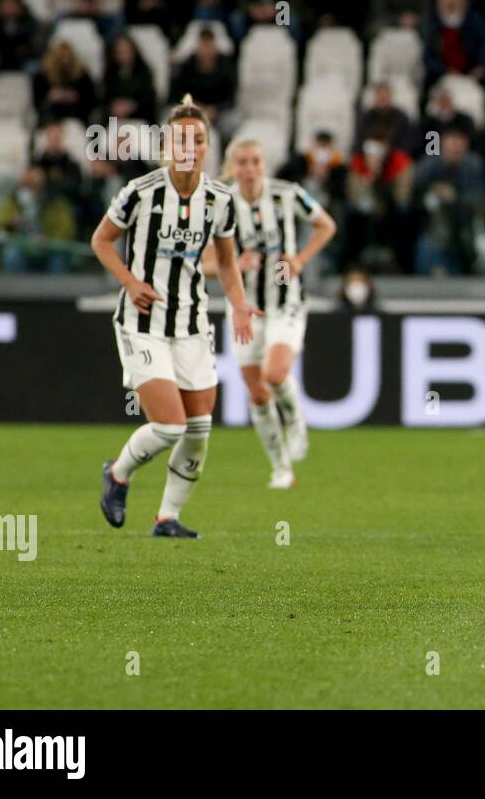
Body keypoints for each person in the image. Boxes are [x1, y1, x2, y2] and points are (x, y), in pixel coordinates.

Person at [90, 95, 260, 538]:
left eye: (200, 139)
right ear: (169, 145)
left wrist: (239, 304)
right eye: (183, 138)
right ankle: (119, 473)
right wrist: (129, 281)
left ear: (208, 148)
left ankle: (167, 518)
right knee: (169, 425)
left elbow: (226, 262)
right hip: (143, 323)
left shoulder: (220, 199)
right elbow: (102, 241)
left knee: (199, 428)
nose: (192, 146)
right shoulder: (141, 192)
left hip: (191, 324)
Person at [204, 139, 336, 488]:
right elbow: (200, 261)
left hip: (285, 302)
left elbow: (326, 225)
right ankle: (281, 468)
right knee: (257, 393)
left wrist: (299, 260)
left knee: (275, 374)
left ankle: (296, 420)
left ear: (264, 164)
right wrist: (231, 265)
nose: (249, 168)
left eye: (256, 161)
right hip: (246, 309)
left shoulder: (287, 194)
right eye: (242, 162)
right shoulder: (221, 203)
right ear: (232, 167)